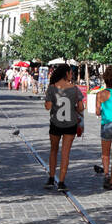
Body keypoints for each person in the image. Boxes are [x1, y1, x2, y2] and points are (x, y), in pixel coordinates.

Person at [44, 64, 84, 192]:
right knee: (65, 153)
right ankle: (61, 182)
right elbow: (81, 108)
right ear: (66, 73)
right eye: (71, 73)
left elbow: (48, 107)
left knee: (53, 150)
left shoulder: (52, 88)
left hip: (55, 122)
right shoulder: (75, 89)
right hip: (70, 124)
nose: (72, 75)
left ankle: (51, 178)